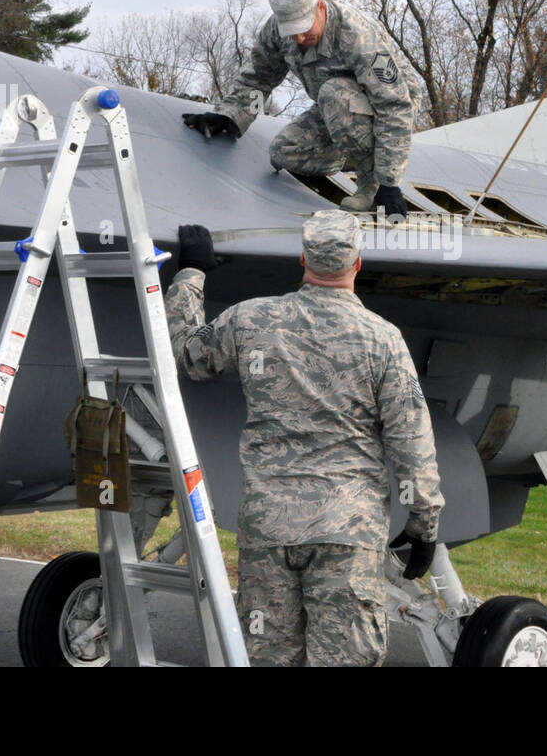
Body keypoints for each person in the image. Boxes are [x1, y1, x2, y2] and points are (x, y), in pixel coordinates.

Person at [164, 211, 443, 666]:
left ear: (302, 259)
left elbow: (188, 355)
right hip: (346, 530)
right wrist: (424, 521)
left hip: (269, 527)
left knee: (268, 658)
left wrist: (191, 273)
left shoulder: (251, 319)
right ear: (357, 264)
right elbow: (410, 435)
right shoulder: (383, 340)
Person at [186, 0, 422, 217]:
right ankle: (357, 151)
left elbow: (395, 104)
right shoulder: (276, 32)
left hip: (388, 105)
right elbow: (260, 77)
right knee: (284, 152)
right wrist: (231, 115)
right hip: (337, 108)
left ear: (320, 7)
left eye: (303, 29)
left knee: (333, 93)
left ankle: (369, 183)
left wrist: (388, 182)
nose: (298, 39)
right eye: (291, 32)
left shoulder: (357, 35)